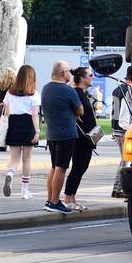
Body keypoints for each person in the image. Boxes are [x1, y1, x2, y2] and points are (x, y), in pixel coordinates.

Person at [41, 61, 84, 214]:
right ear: (62, 73)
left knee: (54, 167)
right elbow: (81, 110)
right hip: (66, 134)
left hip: (52, 134)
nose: (71, 74)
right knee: (61, 169)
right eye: (69, 71)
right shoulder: (68, 90)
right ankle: (55, 202)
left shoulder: (46, 88)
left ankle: (49, 199)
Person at [0, 64, 40, 199]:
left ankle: (10, 174)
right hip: (28, 125)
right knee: (27, 159)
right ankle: (24, 190)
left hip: (14, 124)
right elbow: (35, 115)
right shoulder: (34, 94)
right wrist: (37, 131)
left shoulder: (10, 92)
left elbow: (7, 111)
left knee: (14, 159)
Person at [63, 66, 99, 211]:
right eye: (90, 75)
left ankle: (73, 198)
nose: (93, 77)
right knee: (77, 168)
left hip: (88, 139)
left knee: (82, 168)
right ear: (82, 79)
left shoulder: (84, 93)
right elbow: (74, 114)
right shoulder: (76, 93)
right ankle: (67, 198)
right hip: (80, 138)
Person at [111, 65, 132, 144]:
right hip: (126, 130)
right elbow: (126, 112)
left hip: (117, 130)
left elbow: (115, 112)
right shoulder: (131, 90)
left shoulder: (116, 90)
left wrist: (113, 128)